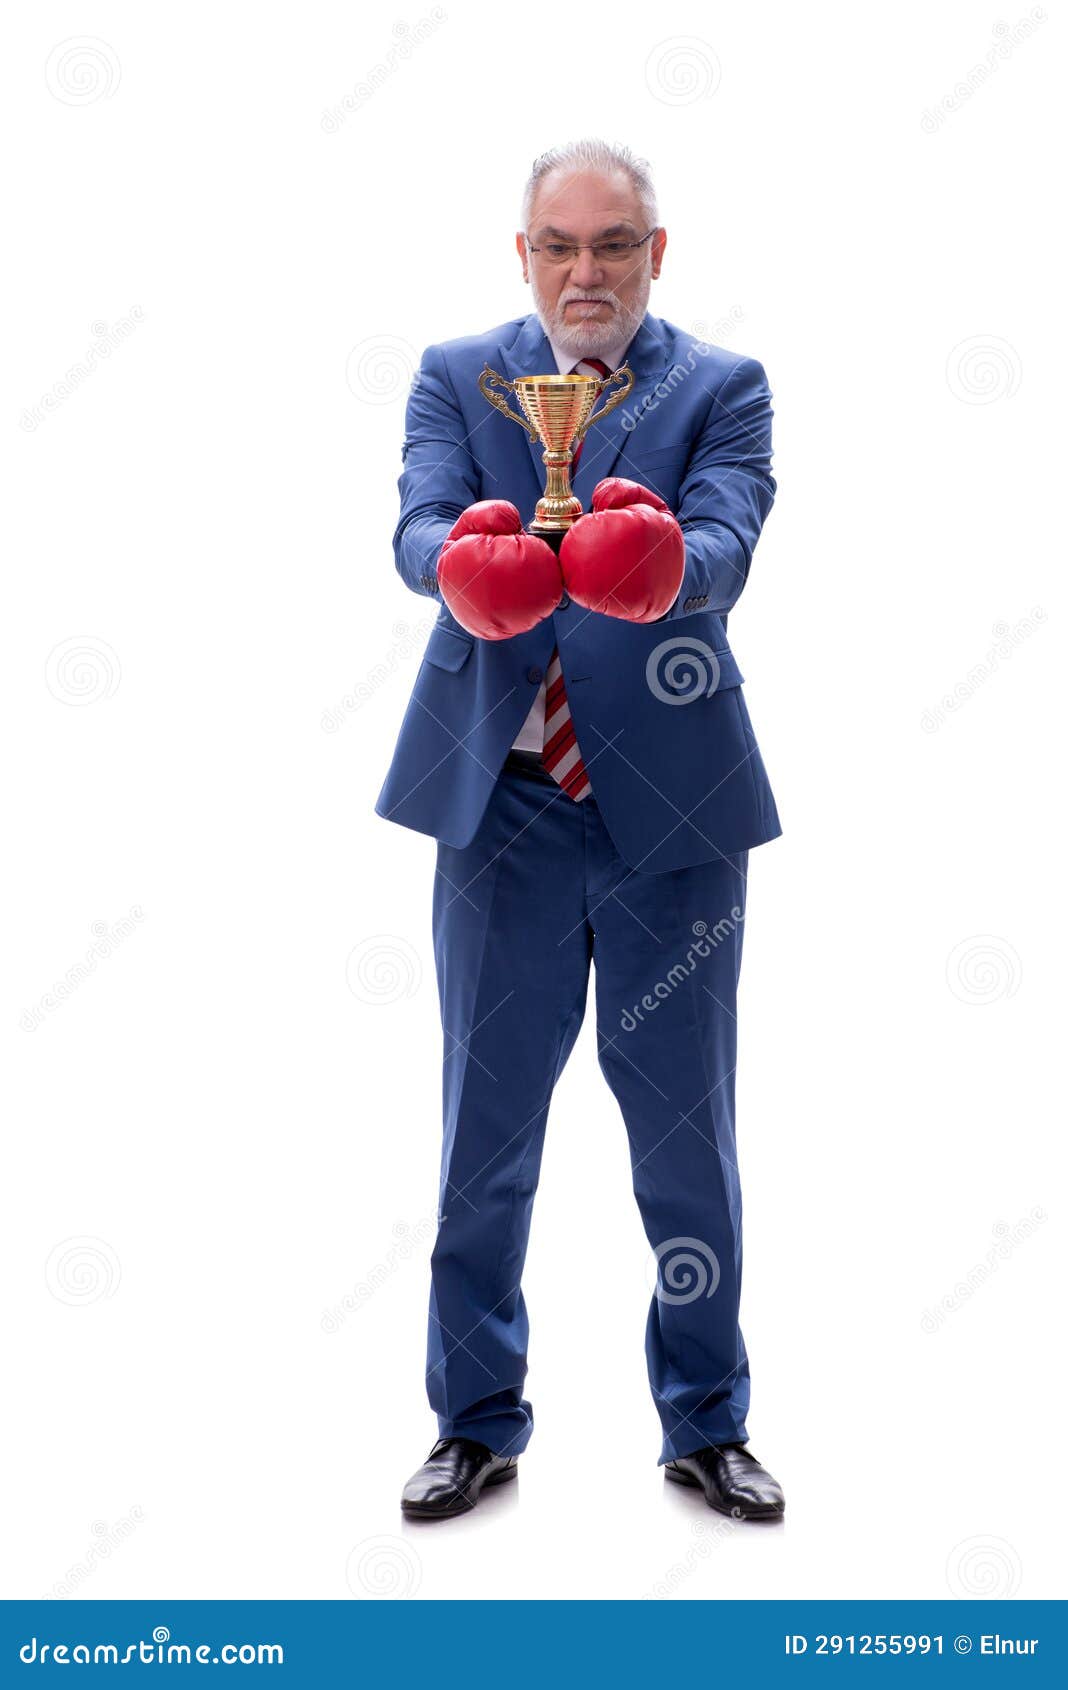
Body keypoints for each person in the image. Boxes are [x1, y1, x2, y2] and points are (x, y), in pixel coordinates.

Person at [376, 138, 785, 1523]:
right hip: (505, 809)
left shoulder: (719, 386)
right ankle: (474, 1420)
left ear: (654, 253)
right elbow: (418, 517)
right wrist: (453, 565)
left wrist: (666, 561)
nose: (586, 270)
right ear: (525, 255)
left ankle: (707, 1422)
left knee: (687, 1141)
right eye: (560, 244)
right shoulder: (458, 372)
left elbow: (729, 536)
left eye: (614, 244)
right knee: (482, 1137)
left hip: (672, 819)